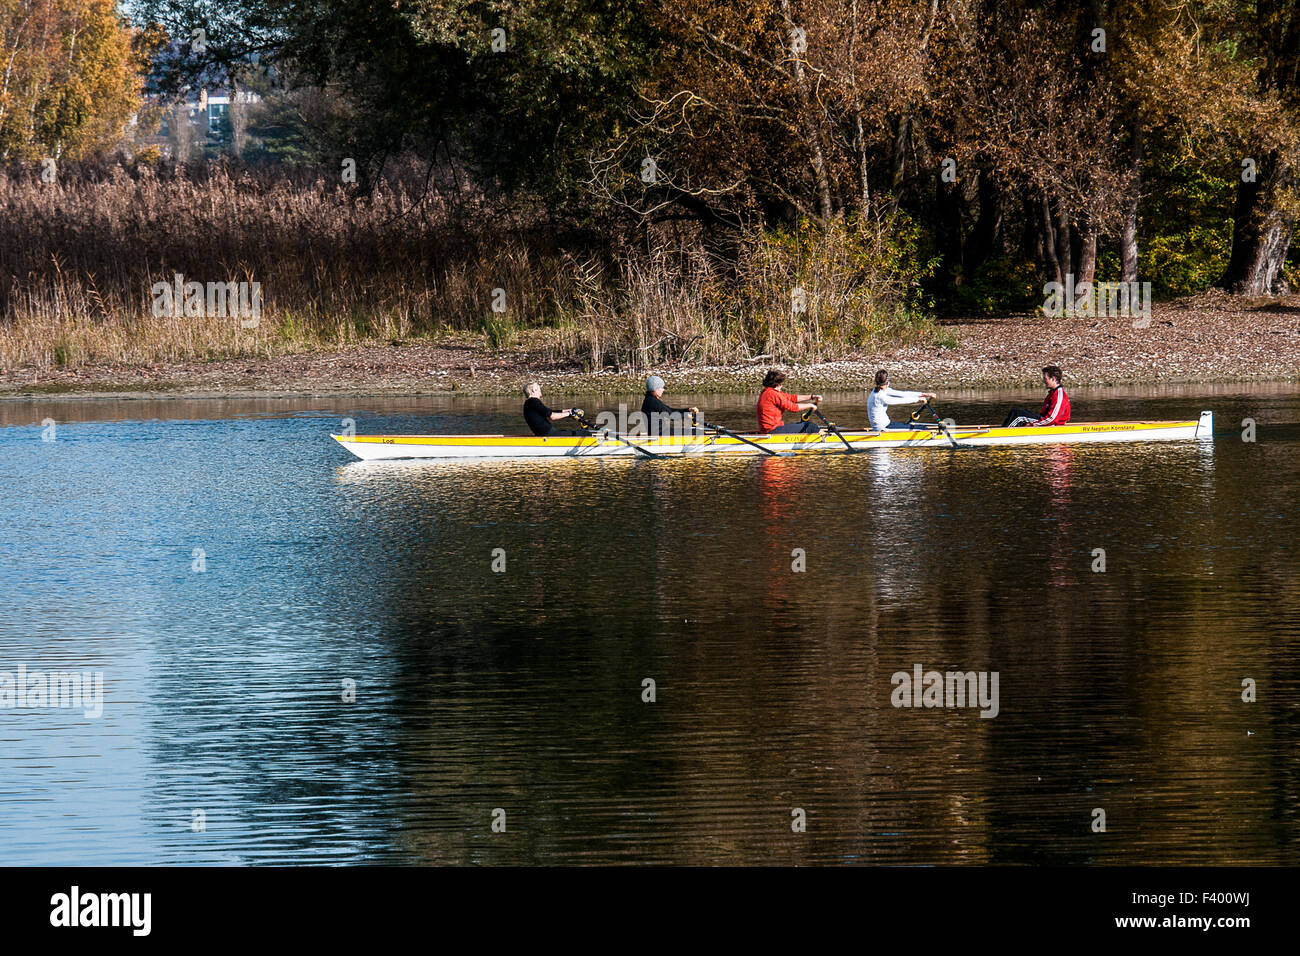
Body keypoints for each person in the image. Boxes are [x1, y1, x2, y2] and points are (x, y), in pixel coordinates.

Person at [756, 370, 824, 434]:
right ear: (777, 384)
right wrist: (810, 405)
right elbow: (793, 407)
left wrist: (812, 397)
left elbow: (791, 398)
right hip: (773, 430)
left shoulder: (767, 392)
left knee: (807, 425)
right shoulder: (773, 394)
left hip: (769, 429)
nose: (781, 386)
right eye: (781, 384)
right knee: (809, 426)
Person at [1002, 366, 1071, 427]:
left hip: (1053, 424)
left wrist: (1033, 424)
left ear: (1053, 379)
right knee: (1015, 411)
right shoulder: (1053, 393)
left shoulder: (1059, 395)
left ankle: (1002, 434)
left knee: (1018, 415)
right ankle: (1003, 429)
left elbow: (1052, 419)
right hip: (1044, 420)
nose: (1043, 381)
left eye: (1045, 378)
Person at [867, 370, 936, 430]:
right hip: (883, 428)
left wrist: (925, 394)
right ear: (888, 383)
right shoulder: (880, 396)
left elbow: (902, 394)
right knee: (922, 428)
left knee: (914, 426)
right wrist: (918, 399)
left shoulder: (878, 391)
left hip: (886, 425)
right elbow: (900, 400)